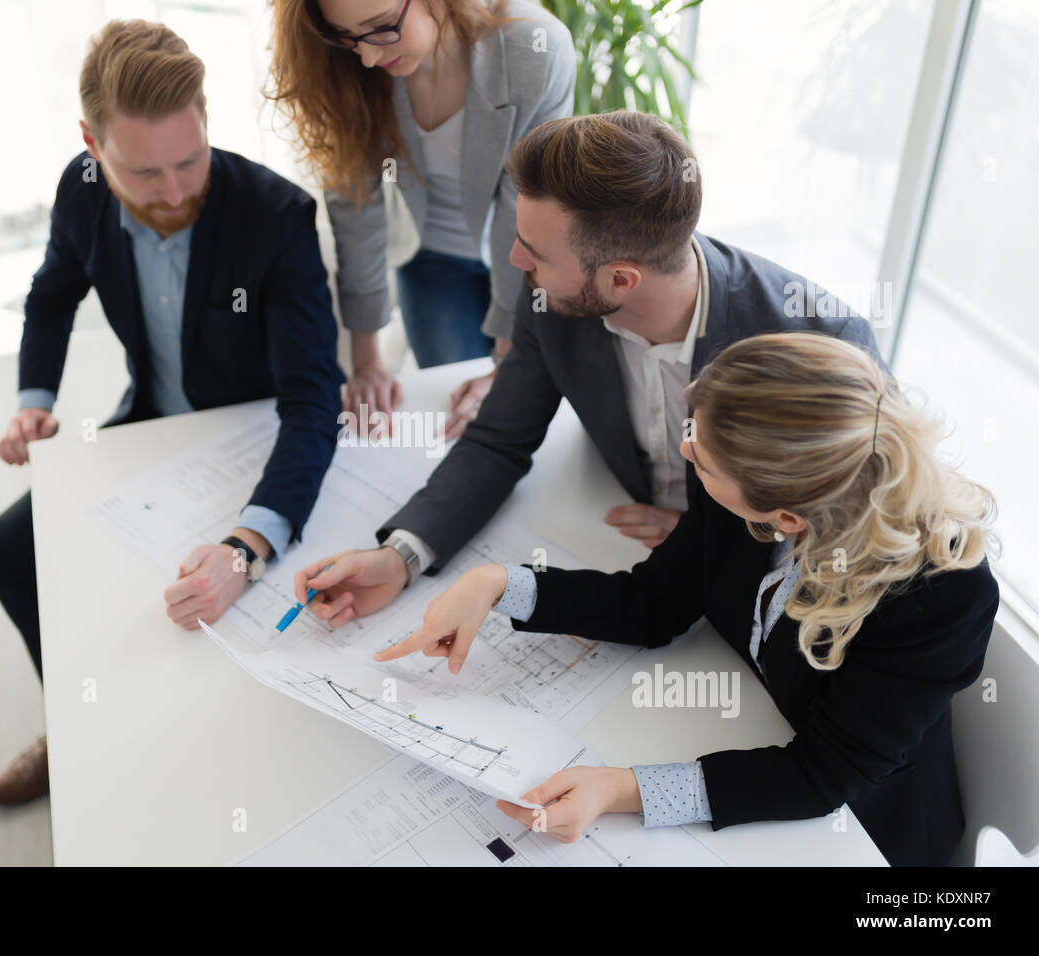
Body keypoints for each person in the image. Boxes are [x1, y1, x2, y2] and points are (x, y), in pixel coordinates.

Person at [370, 332, 1001, 866]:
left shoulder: (944, 599)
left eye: (701, 460)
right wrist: (500, 584)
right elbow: (653, 603)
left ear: (786, 516)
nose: (685, 450)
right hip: (747, 727)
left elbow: (819, 776)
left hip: (863, 841)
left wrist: (622, 789)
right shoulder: (741, 483)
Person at [292, 110, 890, 623]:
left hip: (745, 609)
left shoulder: (821, 340)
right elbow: (497, 441)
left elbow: (854, 523)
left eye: (537, 253)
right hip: (614, 552)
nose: (514, 258)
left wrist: (714, 538)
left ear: (621, 279)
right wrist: (401, 555)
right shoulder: (550, 300)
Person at [0, 19, 345, 805]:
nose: (176, 193)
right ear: (92, 142)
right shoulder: (79, 192)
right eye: (145, 174)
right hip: (152, 419)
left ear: (206, 122)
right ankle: (73, 729)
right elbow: (49, 298)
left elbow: (316, 399)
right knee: (5, 549)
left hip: (260, 439)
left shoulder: (275, 216)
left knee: (227, 609)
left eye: (191, 161)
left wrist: (247, 546)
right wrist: (33, 402)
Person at [267, 0, 575, 439]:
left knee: (516, 407)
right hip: (430, 258)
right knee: (448, 410)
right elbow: (358, 213)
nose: (369, 58)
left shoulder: (534, 48)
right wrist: (367, 362)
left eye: (380, 28)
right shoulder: (347, 68)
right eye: (348, 37)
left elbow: (523, 212)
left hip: (525, 257)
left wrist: (507, 360)